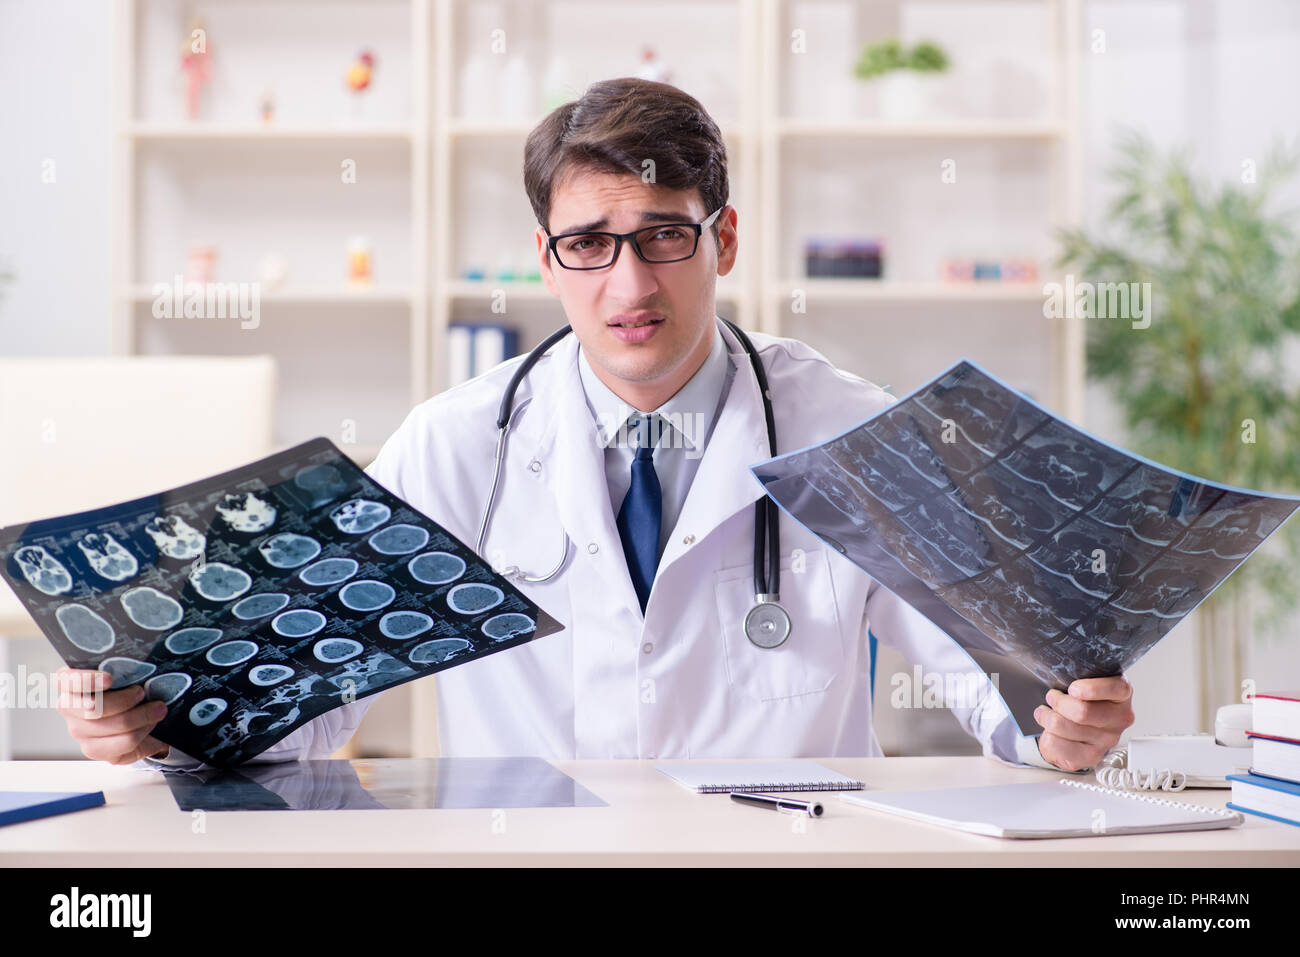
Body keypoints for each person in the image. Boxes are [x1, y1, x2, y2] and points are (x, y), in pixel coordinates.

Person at [57, 77, 1134, 772]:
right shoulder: (458, 441)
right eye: (589, 242)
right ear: (547, 259)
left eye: (664, 234)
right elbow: (308, 709)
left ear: (725, 241)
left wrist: (1058, 727)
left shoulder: (844, 427)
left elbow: (986, 675)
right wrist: (156, 721)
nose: (628, 281)